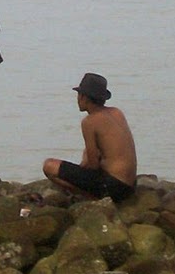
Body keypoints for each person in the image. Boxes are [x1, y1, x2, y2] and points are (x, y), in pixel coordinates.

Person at [43, 72, 137, 202]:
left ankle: (88, 197)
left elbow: (93, 165)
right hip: (130, 186)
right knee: (87, 152)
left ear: (84, 97)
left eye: (78, 95)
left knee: (49, 166)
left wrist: (78, 173)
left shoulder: (89, 121)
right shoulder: (117, 112)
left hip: (113, 187)